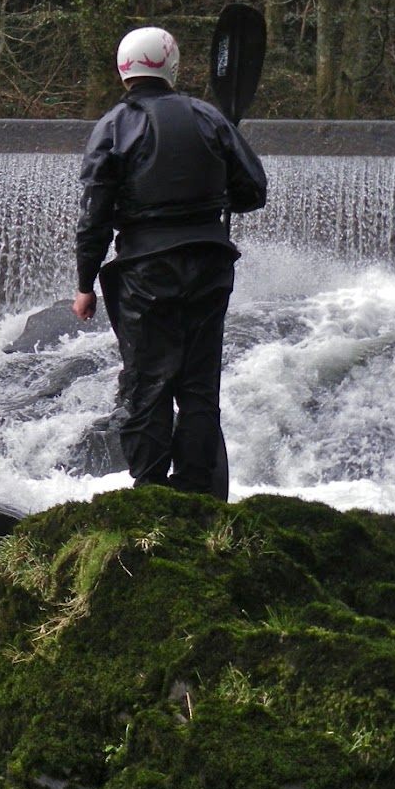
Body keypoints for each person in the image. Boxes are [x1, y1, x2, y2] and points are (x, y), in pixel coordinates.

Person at [72, 25, 267, 500]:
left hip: (146, 272)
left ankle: (152, 495)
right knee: (198, 386)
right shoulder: (210, 118)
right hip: (210, 263)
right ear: (171, 67)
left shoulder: (114, 125)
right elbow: (253, 191)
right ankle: (198, 492)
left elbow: (95, 213)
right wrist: (210, 198)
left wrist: (85, 284)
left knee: (147, 383)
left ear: (124, 70)